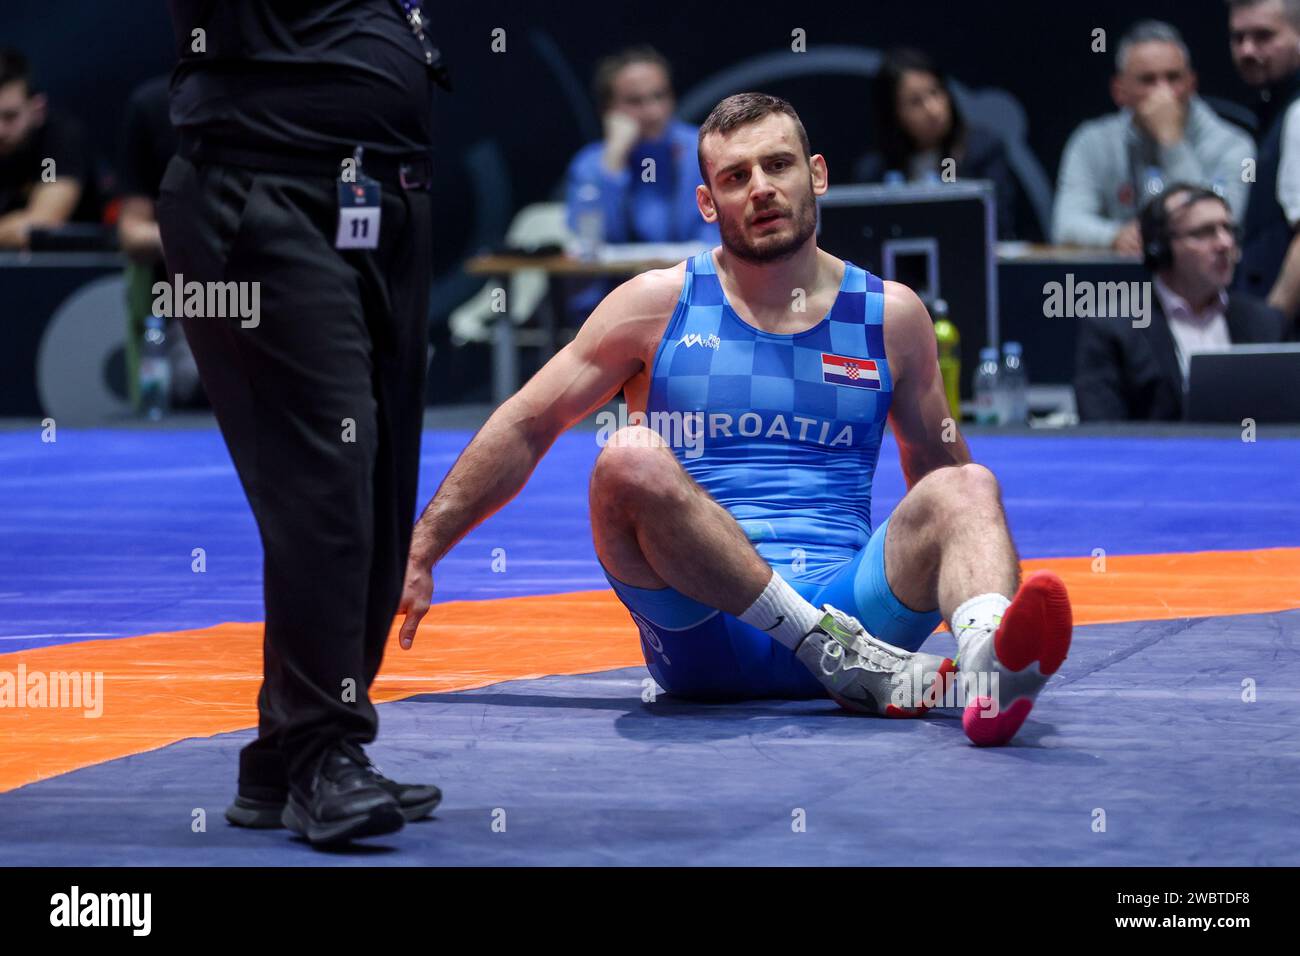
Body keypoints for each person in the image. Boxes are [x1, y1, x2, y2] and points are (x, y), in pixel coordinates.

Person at [400, 93, 1074, 748]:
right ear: (707, 202)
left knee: (969, 485)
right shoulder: (653, 305)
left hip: (859, 615)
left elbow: (939, 472)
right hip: (706, 631)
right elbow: (529, 423)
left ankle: (989, 675)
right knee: (628, 455)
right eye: (735, 177)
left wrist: (976, 584)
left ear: (817, 175)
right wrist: (421, 549)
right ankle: (821, 645)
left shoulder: (890, 316)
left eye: (778, 165)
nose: (761, 189)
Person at [157, 0, 450, 847]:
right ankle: (323, 752)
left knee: (379, 489)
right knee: (327, 480)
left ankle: (284, 758)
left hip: (385, 195)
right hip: (262, 191)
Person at [1075, 184, 1289, 421]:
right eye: (1204, 232)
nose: (1225, 243)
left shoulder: (1265, 322)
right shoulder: (1113, 329)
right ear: (1160, 249)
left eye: (1228, 229)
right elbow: (1101, 430)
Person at [1053, 20, 1254, 253]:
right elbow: (1065, 225)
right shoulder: (1091, 142)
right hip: (1119, 275)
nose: (1163, 92)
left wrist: (1172, 143)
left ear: (1192, 83)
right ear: (1119, 91)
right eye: (1148, 80)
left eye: (1173, 78)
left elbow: (1213, 228)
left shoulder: (1236, 146)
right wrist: (1114, 236)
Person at [562, 46, 720, 321]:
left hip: (694, 301)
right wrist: (613, 163)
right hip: (611, 309)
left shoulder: (704, 151)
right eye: (635, 102)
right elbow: (590, 246)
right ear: (608, 110)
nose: (653, 112)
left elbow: (719, 241)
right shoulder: (591, 164)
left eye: (659, 96)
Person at [853, 47, 1019, 239]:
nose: (933, 109)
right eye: (915, 102)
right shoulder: (875, 170)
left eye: (935, 92)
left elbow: (998, 226)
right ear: (894, 113)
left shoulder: (980, 151)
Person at [117, 74, 203, 410]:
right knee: (189, 385)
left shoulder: (279, 103)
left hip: (273, 301)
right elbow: (132, 232)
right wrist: (194, 238)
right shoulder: (153, 106)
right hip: (191, 305)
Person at [1228, 0, 1300, 320]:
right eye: (1238, 38)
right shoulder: (1270, 108)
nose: (1247, 50)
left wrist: (1271, 325)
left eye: (1264, 36)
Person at [0, 49, 101, 250]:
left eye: (10, 116)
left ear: (37, 109)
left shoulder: (56, 145)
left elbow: (40, 224)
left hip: (73, 263)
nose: (0, 131)